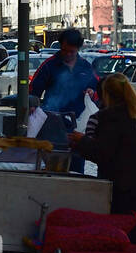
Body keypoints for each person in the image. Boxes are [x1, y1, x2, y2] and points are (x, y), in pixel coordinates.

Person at [69, 73, 136, 244]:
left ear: (108, 94)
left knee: (121, 230)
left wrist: (81, 141)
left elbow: (103, 153)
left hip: (124, 184)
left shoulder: (109, 116)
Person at [29, 28, 100, 163]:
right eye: (64, 50)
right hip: (53, 124)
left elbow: (98, 90)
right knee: (52, 164)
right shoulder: (49, 65)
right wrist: (33, 103)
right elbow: (33, 91)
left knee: (76, 164)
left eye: (71, 51)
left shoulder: (85, 67)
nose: (67, 54)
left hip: (78, 125)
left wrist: (92, 93)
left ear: (78, 49)